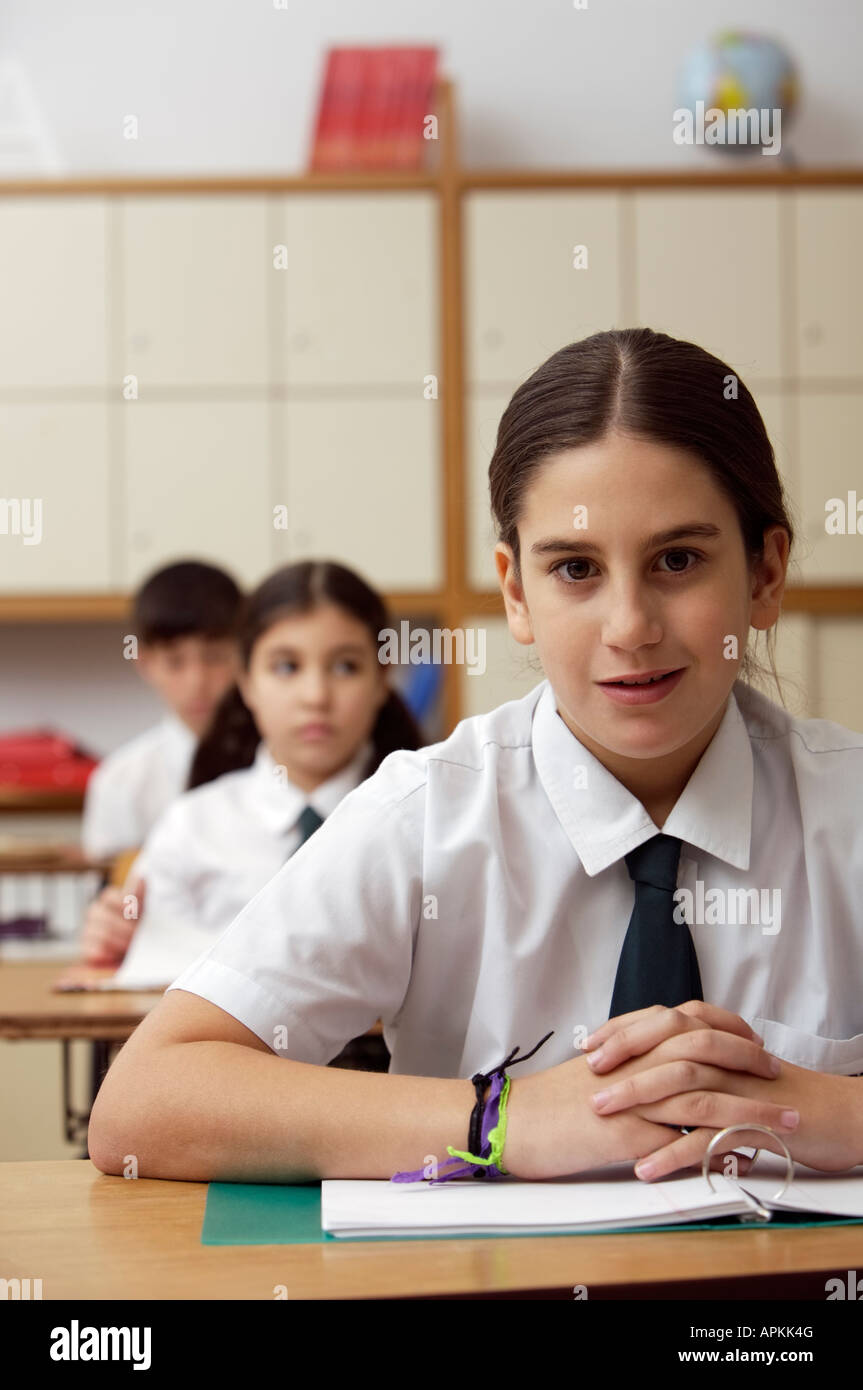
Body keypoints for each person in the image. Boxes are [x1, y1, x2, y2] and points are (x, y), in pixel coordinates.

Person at [88, 328, 863, 1187]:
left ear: (763, 574)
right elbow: (143, 1104)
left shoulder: (848, 808)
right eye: (575, 569)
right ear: (515, 591)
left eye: (676, 560)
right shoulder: (424, 817)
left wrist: (839, 1112)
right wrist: (501, 1119)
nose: (629, 627)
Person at [79, 561, 422, 980]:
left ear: (382, 678)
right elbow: (149, 979)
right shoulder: (189, 828)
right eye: (286, 667)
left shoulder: (430, 821)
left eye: (345, 666)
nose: (316, 696)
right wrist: (120, 945)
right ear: (245, 681)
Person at [80, 560, 243, 861]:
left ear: (245, 653)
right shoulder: (121, 781)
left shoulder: (278, 761)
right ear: (144, 663)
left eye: (215, 657)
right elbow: (112, 880)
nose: (197, 682)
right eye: (175, 662)